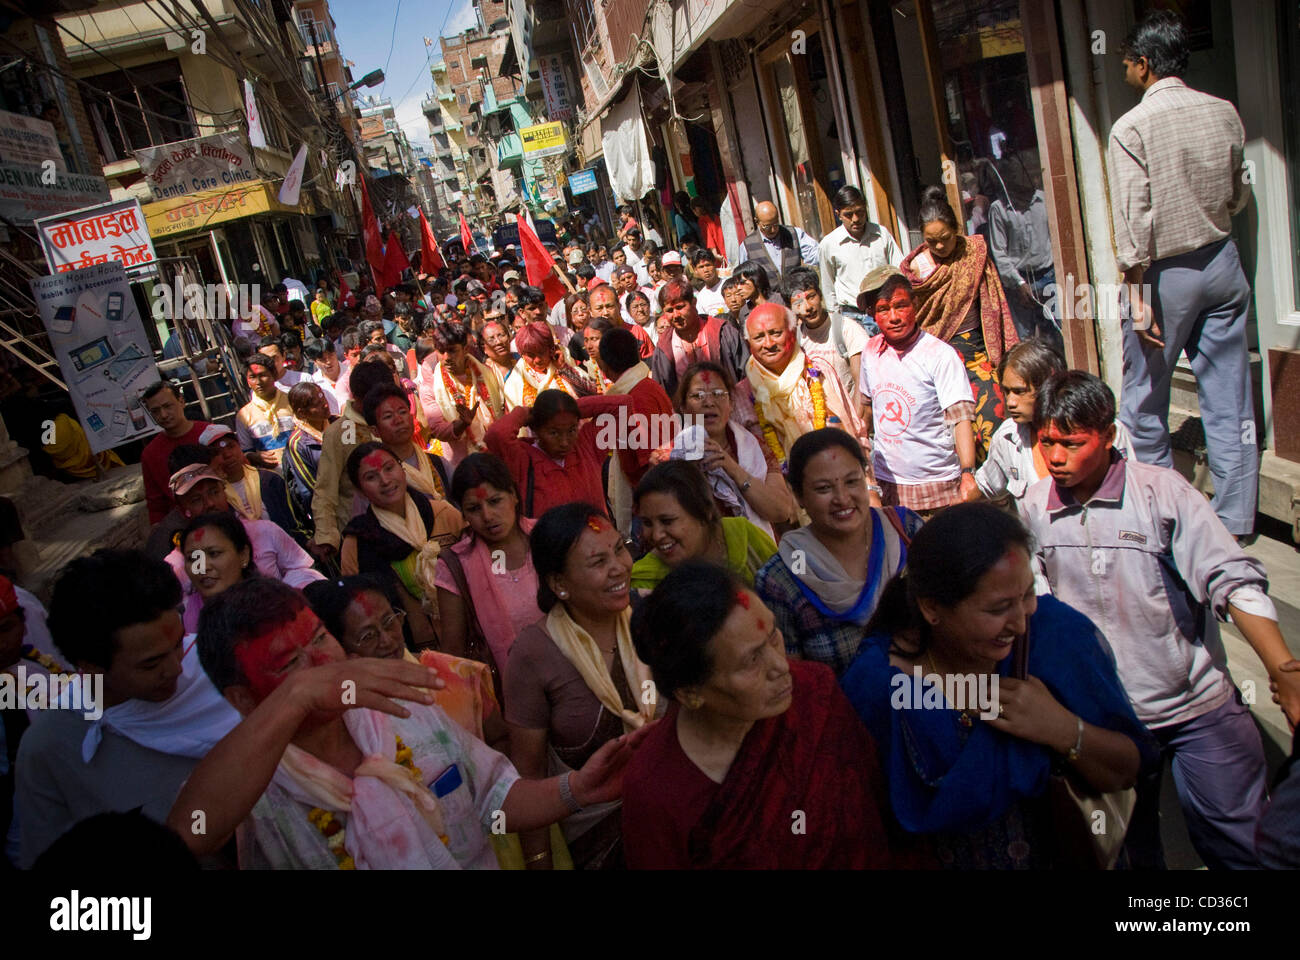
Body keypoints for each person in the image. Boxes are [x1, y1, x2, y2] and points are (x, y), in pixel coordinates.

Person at [171, 577, 647, 869]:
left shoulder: (401, 708)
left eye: (319, 638)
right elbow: (189, 837)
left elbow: (495, 802)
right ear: (241, 698)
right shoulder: (242, 788)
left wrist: (577, 790)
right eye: (288, 663)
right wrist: (297, 697)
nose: (320, 665)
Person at [1017, 371, 1291, 869]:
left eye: (1072, 444)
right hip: (1105, 720)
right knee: (1126, 852)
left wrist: (1284, 670)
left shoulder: (1163, 494)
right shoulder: (1035, 508)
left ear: (1108, 434)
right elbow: (1035, 607)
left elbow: (1231, 580)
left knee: (1244, 847)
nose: (1056, 458)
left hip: (1196, 706)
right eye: (1047, 442)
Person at [842, 504, 1150, 869]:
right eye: (998, 609)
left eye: (1027, 595)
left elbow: (1128, 767)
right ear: (931, 609)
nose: (1020, 623)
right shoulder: (875, 686)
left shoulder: (1055, 639)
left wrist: (1062, 729)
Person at [623, 562, 892, 868]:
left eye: (774, 635)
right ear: (690, 693)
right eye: (751, 660)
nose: (781, 666)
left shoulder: (815, 690)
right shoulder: (656, 793)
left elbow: (873, 808)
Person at [1108, 10, 1256, 538]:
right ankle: (1236, 518)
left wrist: (1137, 291)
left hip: (1163, 275)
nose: (1124, 71)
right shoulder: (1222, 112)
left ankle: (1160, 516)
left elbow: (1133, 217)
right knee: (1229, 393)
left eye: (1126, 62)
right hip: (1222, 259)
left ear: (1144, 65)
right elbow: (1240, 191)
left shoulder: (1131, 127)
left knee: (1145, 400)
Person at [14, 550, 240, 868]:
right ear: (91, 667)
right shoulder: (50, 748)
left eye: (177, 645)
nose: (176, 668)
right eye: (151, 664)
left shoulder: (221, 671)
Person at [505, 506, 658, 870]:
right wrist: (539, 861)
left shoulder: (651, 615)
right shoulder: (533, 654)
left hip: (676, 823)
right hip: (594, 847)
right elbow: (529, 776)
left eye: (620, 549)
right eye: (598, 561)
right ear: (559, 583)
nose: (620, 567)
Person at [755, 429, 922, 676]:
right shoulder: (785, 576)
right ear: (799, 496)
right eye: (823, 489)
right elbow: (796, 682)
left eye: (852, 481)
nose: (842, 498)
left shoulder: (907, 531)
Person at [900, 186, 1018, 462]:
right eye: (932, 241)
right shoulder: (918, 269)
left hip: (976, 350)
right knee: (948, 424)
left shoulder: (973, 254)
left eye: (945, 238)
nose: (940, 246)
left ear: (956, 229)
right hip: (937, 355)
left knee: (993, 412)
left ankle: (998, 486)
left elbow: (992, 300)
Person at [859, 275, 979, 513]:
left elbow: (961, 418)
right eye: (883, 309)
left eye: (900, 306)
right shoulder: (871, 351)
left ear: (915, 304)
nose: (893, 317)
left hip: (938, 484)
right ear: (873, 313)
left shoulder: (939, 355)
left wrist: (967, 473)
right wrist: (864, 473)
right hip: (888, 482)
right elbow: (863, 410)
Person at [969, 340, 1133, 504]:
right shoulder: (1007, 437)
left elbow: (1130, 491)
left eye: (1019, 392)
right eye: (1006, 391)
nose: (1010, 402)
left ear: (1047, 387)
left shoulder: (1102, 430)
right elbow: (985, 487)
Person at [340, 442, 465, 650]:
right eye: (371, 477)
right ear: (359, 490)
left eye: (389, 468)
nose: (385, 481)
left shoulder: (444, 514)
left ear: (402, 468)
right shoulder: (357, 542)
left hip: (468, 640)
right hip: (409, 653)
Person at [434, 454, 542, 690]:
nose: (487, 516)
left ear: (513, 495)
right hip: (507, 697)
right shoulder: (455, 566)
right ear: (462, 512)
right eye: (474, 508)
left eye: (495, 501)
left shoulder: (546, 537)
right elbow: (454, 654)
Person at [740, 302, 873, 476]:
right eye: (758, 337)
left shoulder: (819, 373)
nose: (768, 343)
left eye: (775, 333)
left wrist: (869, 486)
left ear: (792, 333)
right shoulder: (741, 394)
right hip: (778, 497)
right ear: (748, 342)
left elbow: (855, 432)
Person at [162, 457, 323, 593]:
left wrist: (286, 598)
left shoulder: (265, 530)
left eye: (214, 492)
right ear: (183, 511)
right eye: (196, 500)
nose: (209, 503)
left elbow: (301, 568)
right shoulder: (177, 565)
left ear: (225, 492)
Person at [630, 461, 777, 593]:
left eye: (667, 521)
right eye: (647, 523)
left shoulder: (743, 536)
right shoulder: (646, 582)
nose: (656, 535)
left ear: (705, 512)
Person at [486, 388, 631, 519]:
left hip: (599, 544)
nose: (564, 442)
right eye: (553, 432)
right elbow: (496, 434)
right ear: (535, 429)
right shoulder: (522, 459)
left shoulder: (588, 445)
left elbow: (624, 405)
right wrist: (525, 413)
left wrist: (569, 408)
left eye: (572, 430)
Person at [311, 359, 392, 561]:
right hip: (362, 535)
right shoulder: (341, 433)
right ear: (356, 397)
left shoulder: (392, 420)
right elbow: (325, 490)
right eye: (373, 400)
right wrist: (327, 536)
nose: (380, 406)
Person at [596, 329, 675, 534]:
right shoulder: (645, 385)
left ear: (603, 366)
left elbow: (651, 461)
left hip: (649, 501)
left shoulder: (635, 397)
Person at [987, 157, 1063, 354]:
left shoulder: (1044, 200)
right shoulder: (999, 208)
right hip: (1019, 283)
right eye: (1010, 176)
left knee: (1057, 336)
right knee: (1025, 341)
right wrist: (1019, 284)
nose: (1016, 180)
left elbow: (1057, 238)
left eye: (1017, 174)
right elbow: (999, 252)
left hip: (1049, 277)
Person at [419, 320, 507, 472]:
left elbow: (503, 409)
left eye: (452, 350)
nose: (446, 357)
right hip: (459, 466)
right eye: (440, 351)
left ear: (465, 349)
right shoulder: (430, 385)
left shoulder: (488, 373)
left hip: (496, 455)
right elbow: (437, 429)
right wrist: (462, 423)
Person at [202, 423, 307, 546]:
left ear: (240, 447)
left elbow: (295, 522)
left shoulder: (269, 481)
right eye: (217, 452)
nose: (227, 455)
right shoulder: (214, 497)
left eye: (231, 446)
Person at [819, 185, 903, 333]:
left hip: (884, 311)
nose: (856, 219)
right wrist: (836, 320)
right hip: (852, 317)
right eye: (849, 215)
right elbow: (828, 286)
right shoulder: (829, 244)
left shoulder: (881, 235)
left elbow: (899, 269)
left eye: (860, 212)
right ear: (838, 214)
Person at [649, 279, 748, 399]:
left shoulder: (723, 332)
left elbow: (746, 376)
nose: (676, 315)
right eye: (669, 311)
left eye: (680, 307)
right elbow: (661, 392)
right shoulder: (664, 347)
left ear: (694, 302)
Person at [785, 266, 868, 398]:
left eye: (811, 297)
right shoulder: (796, 340)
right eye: (798, 303)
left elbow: (862, 385)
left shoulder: (847, 329)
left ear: (820, 295)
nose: (808, 308)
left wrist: (856, 418)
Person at [361, 382, 450, 501]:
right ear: (374, 430)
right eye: (388, 416)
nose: (398, 420)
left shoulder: (437, 463)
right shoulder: (379, 479)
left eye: (402, 412)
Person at [141, 381, 211, 524]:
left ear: (181, 401)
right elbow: (156, 506)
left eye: (167, 406)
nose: (163, 415)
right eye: (155, 411)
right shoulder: (150, 454)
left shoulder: (211, 434)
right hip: (184, 525)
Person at [178, 510, 259, 633]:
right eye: (193, 558)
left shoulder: (273, 609)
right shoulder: (181, 621)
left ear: (243, 555)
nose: (203, 567)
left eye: (214, 553)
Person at [284, 382, 332, 541]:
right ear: (302, 413)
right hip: (330, 512)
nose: (325, 404)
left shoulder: (340, 423)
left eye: (323, 397)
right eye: (317, 404)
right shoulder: (297, 444)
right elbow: (311, 486)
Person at [503, 322, 590, 408]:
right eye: (531, 355)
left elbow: (590, 392)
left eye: (541, 353)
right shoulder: (514, 383)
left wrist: (563, 368)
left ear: (551, 348)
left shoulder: (565, 360)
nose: (537, 360)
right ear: (522, 355)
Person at [738, 200, 819, 290]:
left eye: (776, 224)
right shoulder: (747, 246)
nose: (773, 230)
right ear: (757, 222)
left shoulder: (794, 234)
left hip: (796, 295)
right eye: (767, 226)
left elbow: (816, 255)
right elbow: (744, 279)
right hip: (770, 300)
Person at [236, 355, 295, 470]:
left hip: (299, 469)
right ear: (247, 382)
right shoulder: (244, 415)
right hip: (271, 477)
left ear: (274, 375)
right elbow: (246, 451)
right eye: (252, 377)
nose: (258, 382)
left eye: (263, 375)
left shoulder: (292, 401)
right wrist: (255, 457)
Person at [589, 284, 654, 358]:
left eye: (609, 306)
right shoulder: (588, 340)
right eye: (599, 308)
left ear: (619, 306)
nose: (605, 312)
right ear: (590, 312)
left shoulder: (636, 333)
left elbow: (652, 365)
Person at [306, 337, 349, 415]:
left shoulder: (350, 373)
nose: (328, 362)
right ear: (315, 362)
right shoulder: (314, 382)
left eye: (331, 356)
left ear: (336, 353)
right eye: (323, 359)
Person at [689, 197, 727, 265]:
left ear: (695, 210)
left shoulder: (702, 220)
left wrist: (715, 254)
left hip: (718, 253)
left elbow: (709, 239)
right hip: (726, 248)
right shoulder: (715, 216)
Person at [689, 248, 726, 318]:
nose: (705, 270)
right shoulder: (701, 297)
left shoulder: (728, 286)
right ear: (695, 270)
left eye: (708, 265)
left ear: (715, 264)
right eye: (701, 267)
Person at [479, 319, 517, 385]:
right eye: (491, 339)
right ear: (483, 347)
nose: (498, 342)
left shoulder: (522, 360)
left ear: (509, 337)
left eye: (501, 335)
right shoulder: (483, 373)